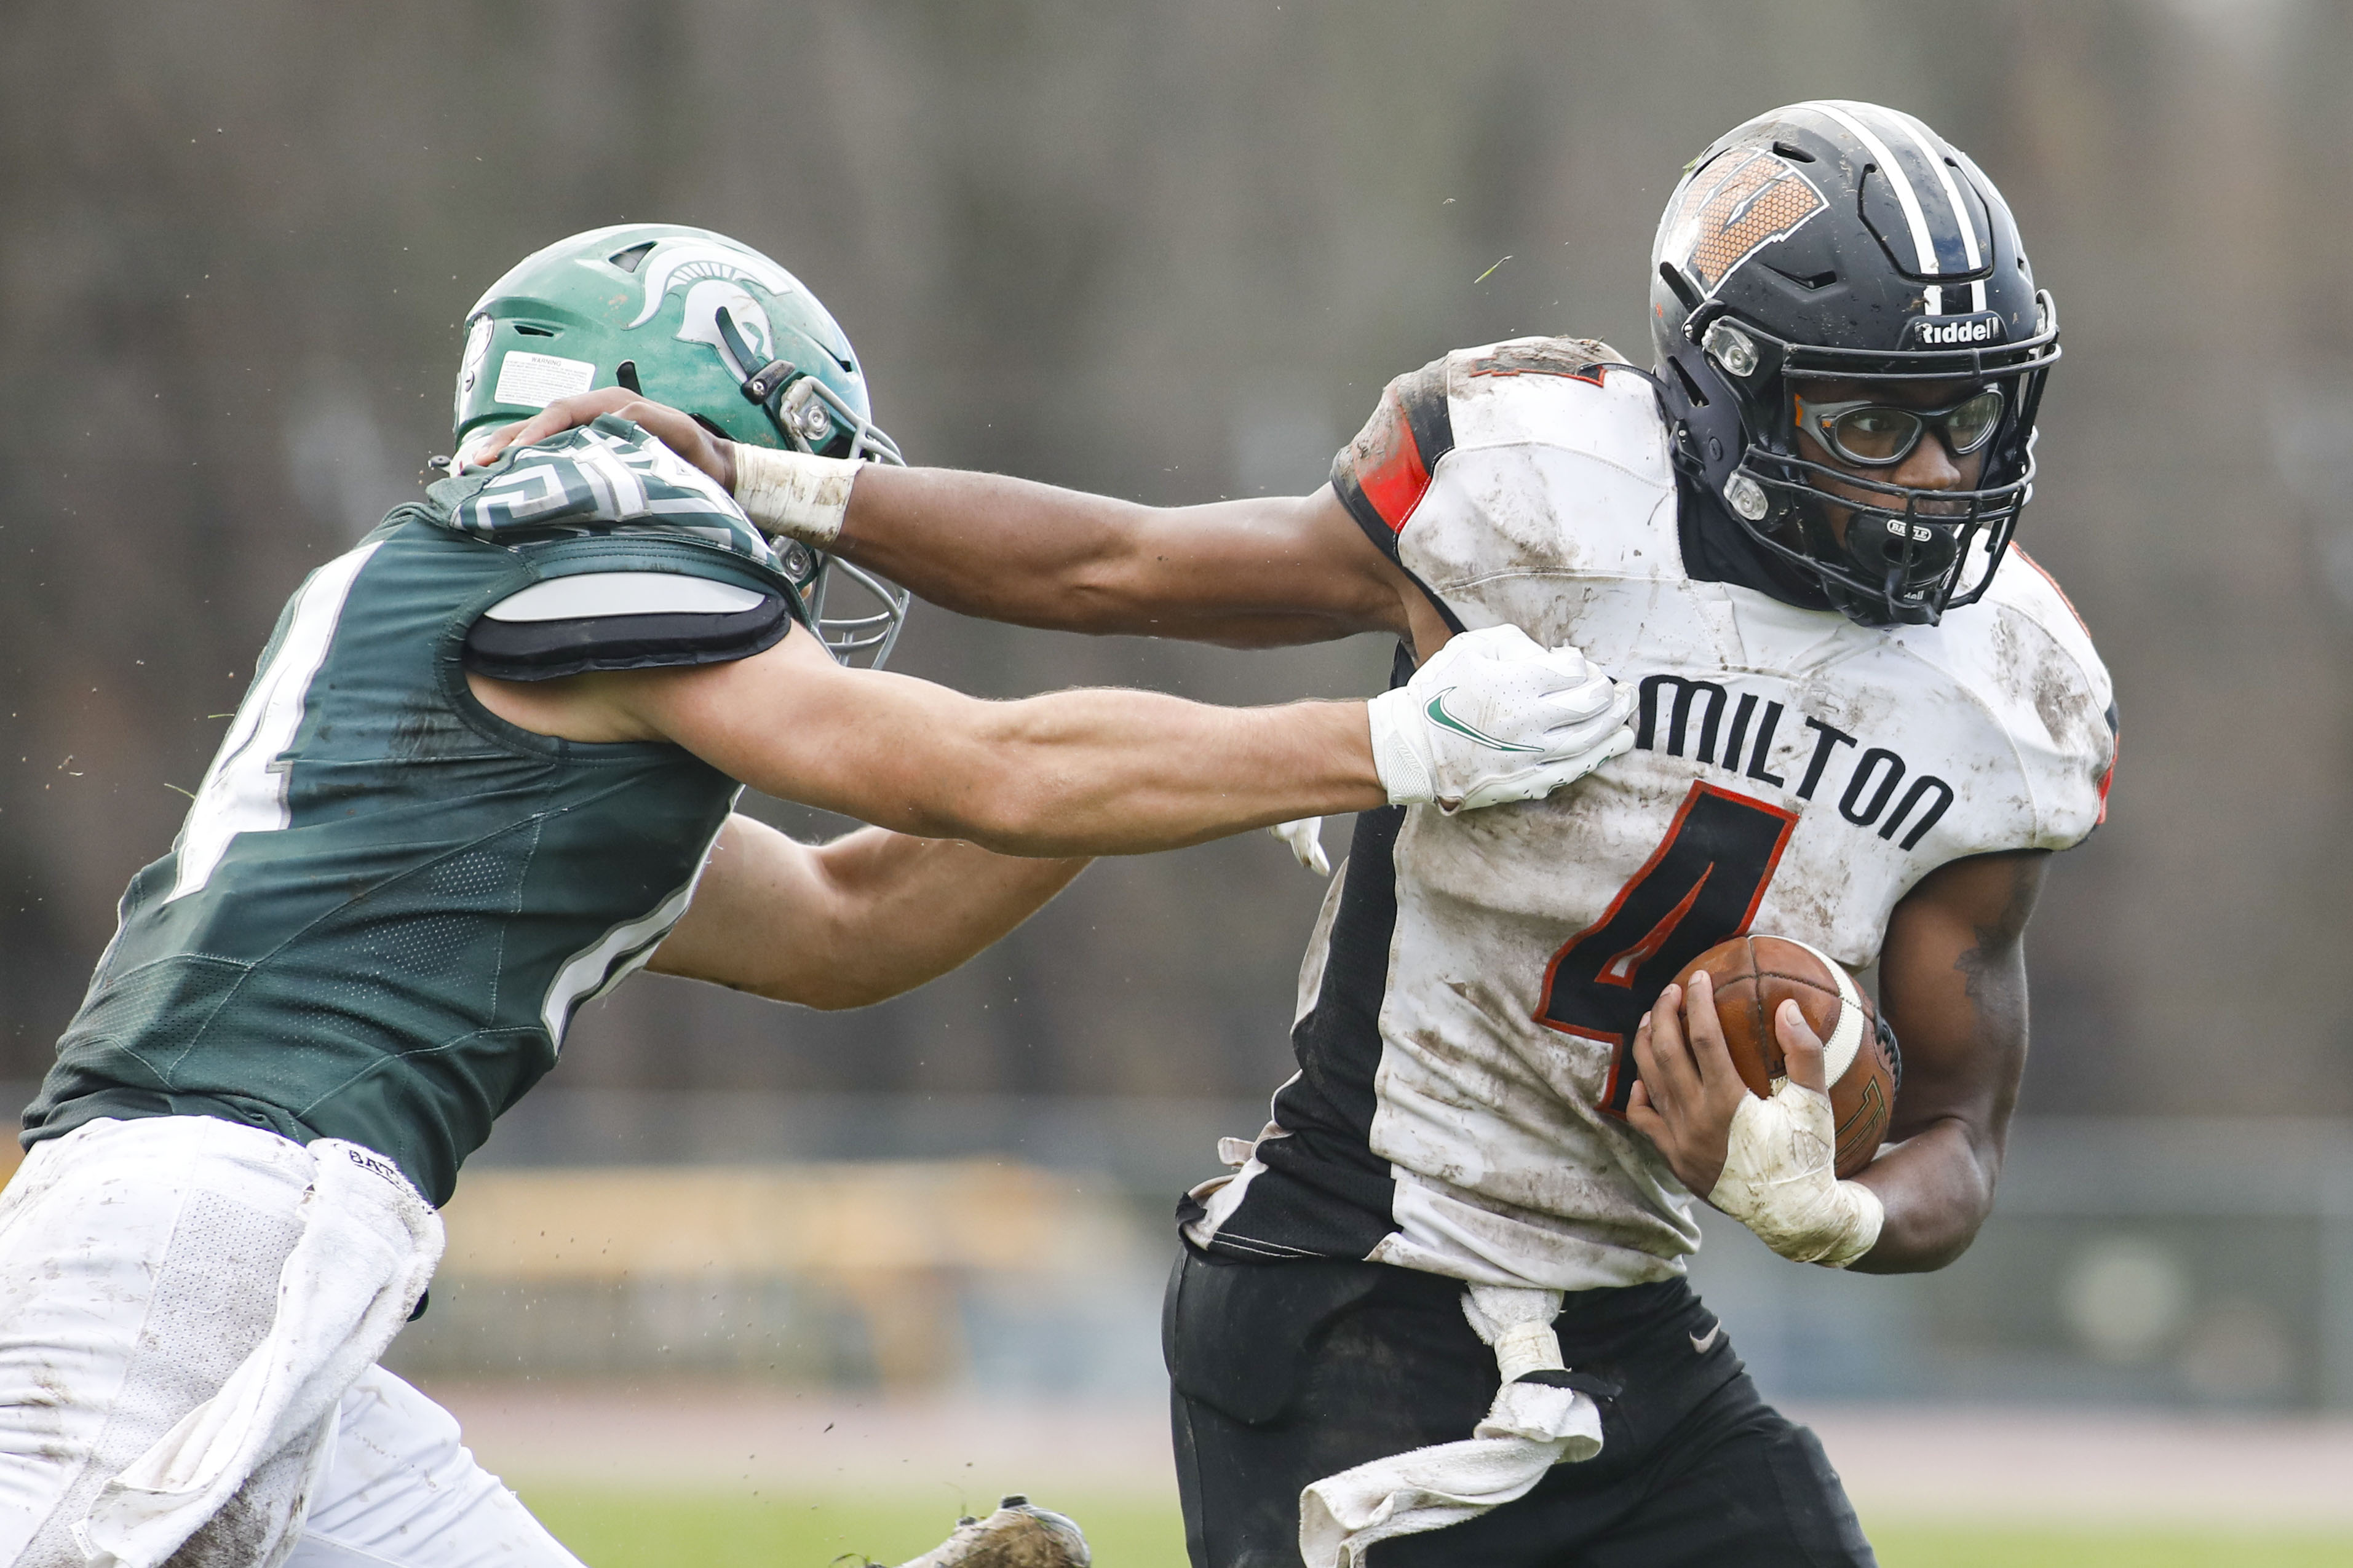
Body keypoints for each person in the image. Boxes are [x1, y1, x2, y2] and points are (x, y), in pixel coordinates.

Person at [491, 102, 2117, 1568]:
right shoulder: (1533, 492)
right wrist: (781, 488)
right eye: (1867, 425)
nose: (1932, 478)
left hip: (1625, 1332)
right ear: (1722, 387)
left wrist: (1832, 1212)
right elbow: (1114, 568)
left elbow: (1959, 1131)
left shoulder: (2011, 696)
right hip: (1348, 1286)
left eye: (1966, 420)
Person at [0, 224, 1635, 1568]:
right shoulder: (576, 508)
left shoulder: (470, 660)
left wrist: (1210, 768)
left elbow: (850, 922)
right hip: (202, 1237)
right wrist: (1373, 739)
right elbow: (957, 770)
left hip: (228, 1240)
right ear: (666, 402)